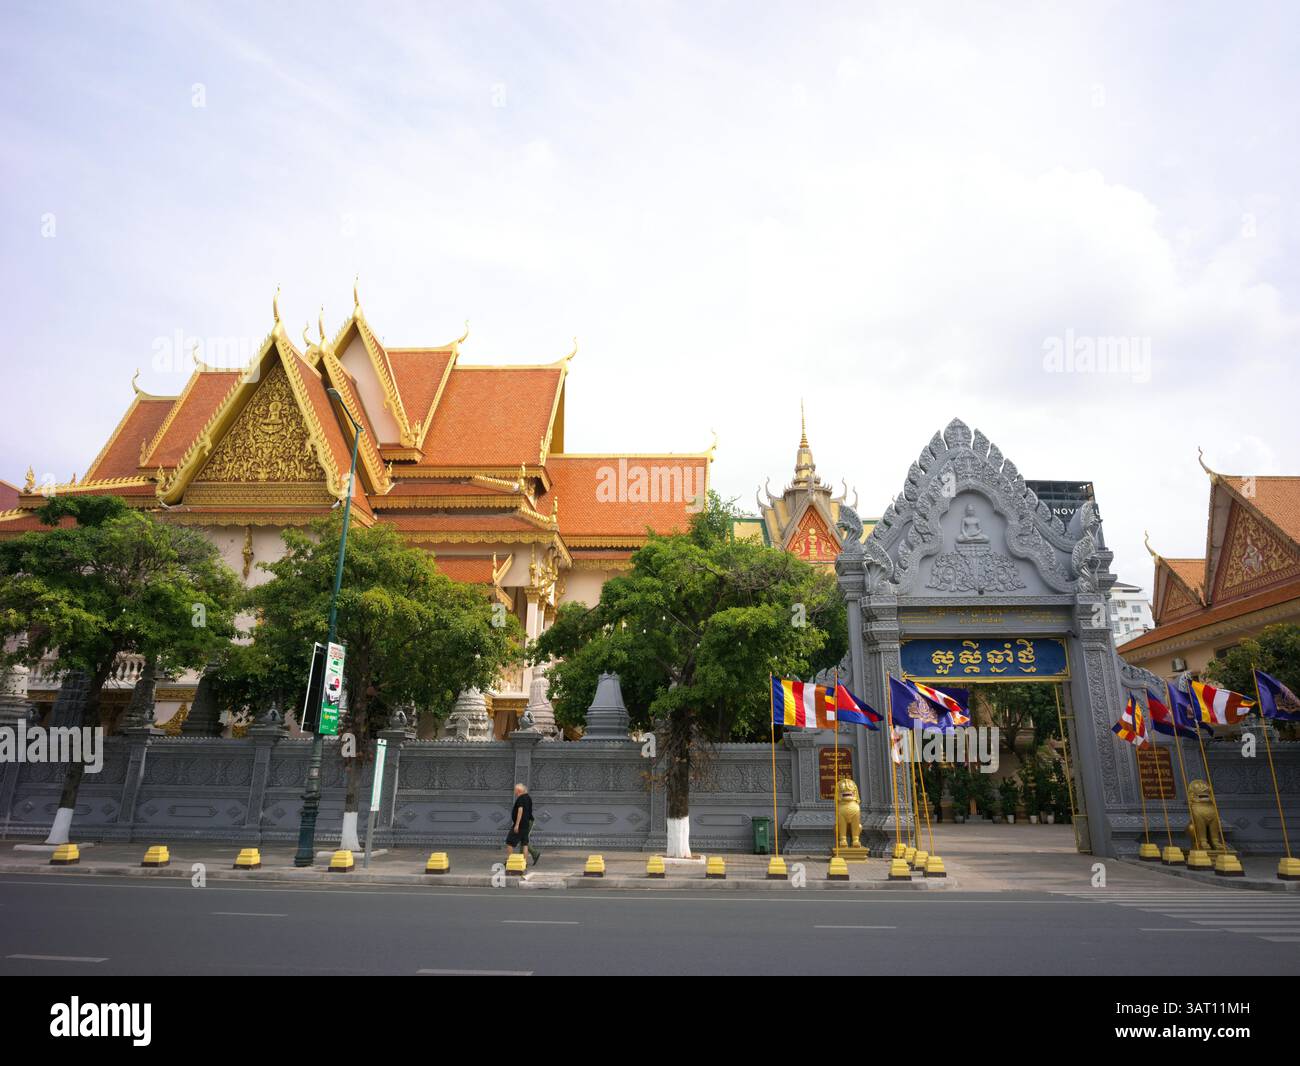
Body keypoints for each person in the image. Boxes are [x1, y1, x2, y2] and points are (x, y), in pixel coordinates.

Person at [506, 783, 540, 866]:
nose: (514, 792)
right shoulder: (528, 797)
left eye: (515, 790)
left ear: (518, 791)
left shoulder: (520, 798)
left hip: (521, 823)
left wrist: (517, 824)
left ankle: (510, 862)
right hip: (527, 822)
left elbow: (520, 811)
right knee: (524, 843)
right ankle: (524, 863)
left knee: (509, 842)